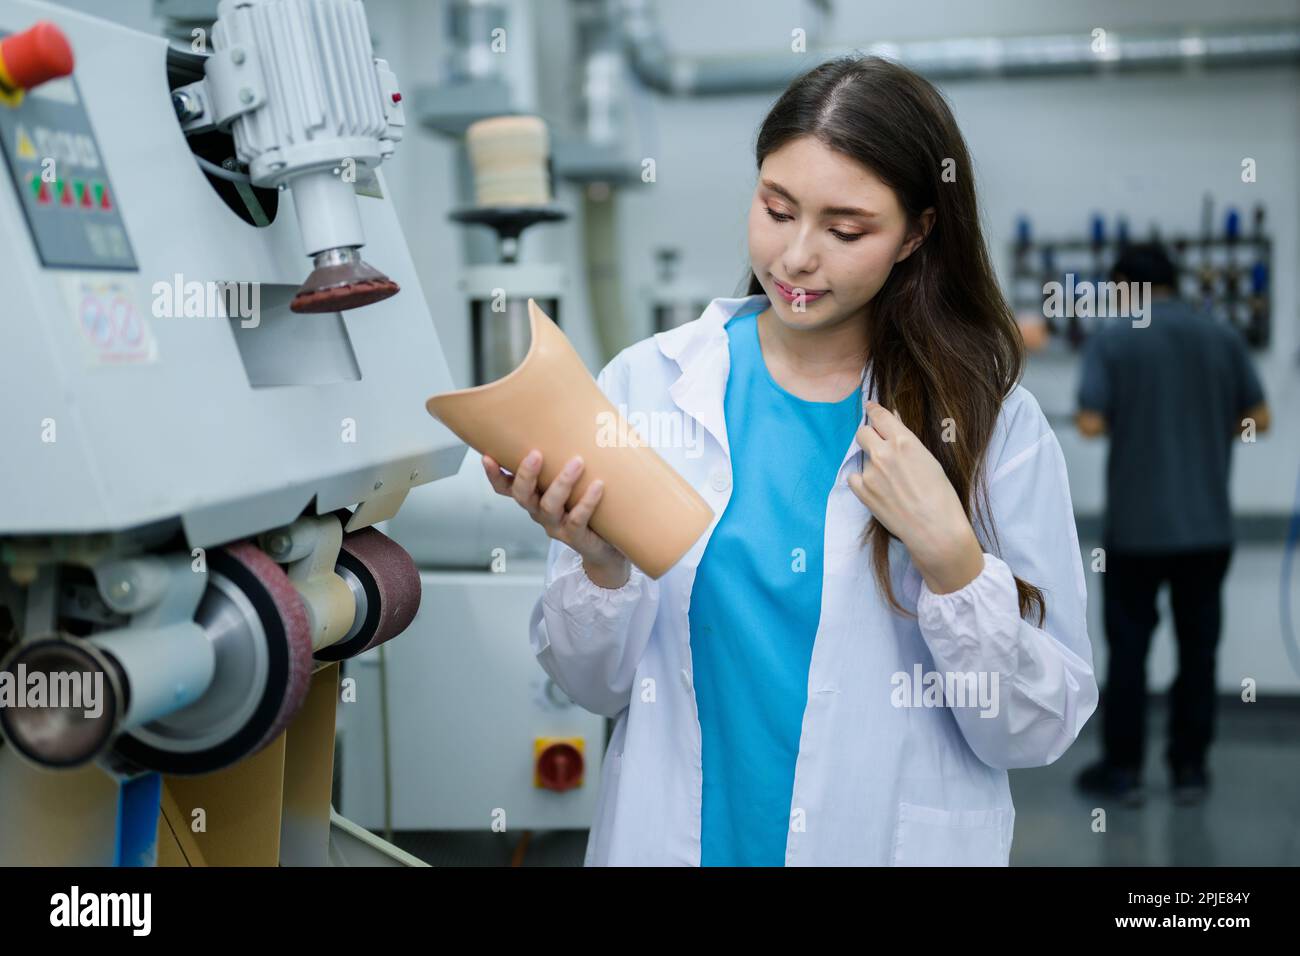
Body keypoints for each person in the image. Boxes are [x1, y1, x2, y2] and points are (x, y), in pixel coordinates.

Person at [486, 55, 1098, 865]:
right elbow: (592, 687)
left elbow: (1039, 726)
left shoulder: (991, 426)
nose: (797, 257)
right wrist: (601, 567)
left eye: (846, 231)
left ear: (917, 233)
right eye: (776, 209)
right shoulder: (649, 386)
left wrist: (954, 562)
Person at [1074, 243, 1270, 807]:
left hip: (1136, 531)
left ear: (1121, 283)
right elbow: (1261, 417)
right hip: (1208, 530)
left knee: (1129, 650)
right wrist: (1206, 424)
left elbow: (1089, 423)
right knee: (1199, 650)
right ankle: (1189, 770)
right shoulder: (1221, 335)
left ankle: (1124, 771)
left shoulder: (1113, 340)